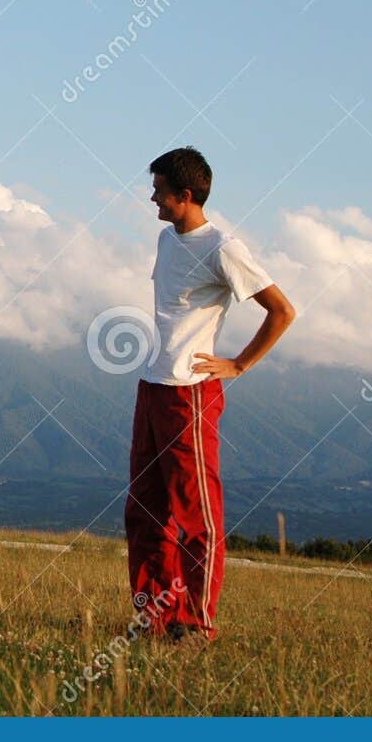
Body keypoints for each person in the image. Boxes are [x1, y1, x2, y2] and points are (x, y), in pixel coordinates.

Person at [127, 146, 296, 640]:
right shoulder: (165, 239)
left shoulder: (223, 247)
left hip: (191, 394)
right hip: (154, 385)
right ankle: (153, 617)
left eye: (159, 191)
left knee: (197, 515)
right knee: (144, 511)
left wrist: (239, 364)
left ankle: (195, 623)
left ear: (185, 195)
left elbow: (281, 311)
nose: (153, 199)